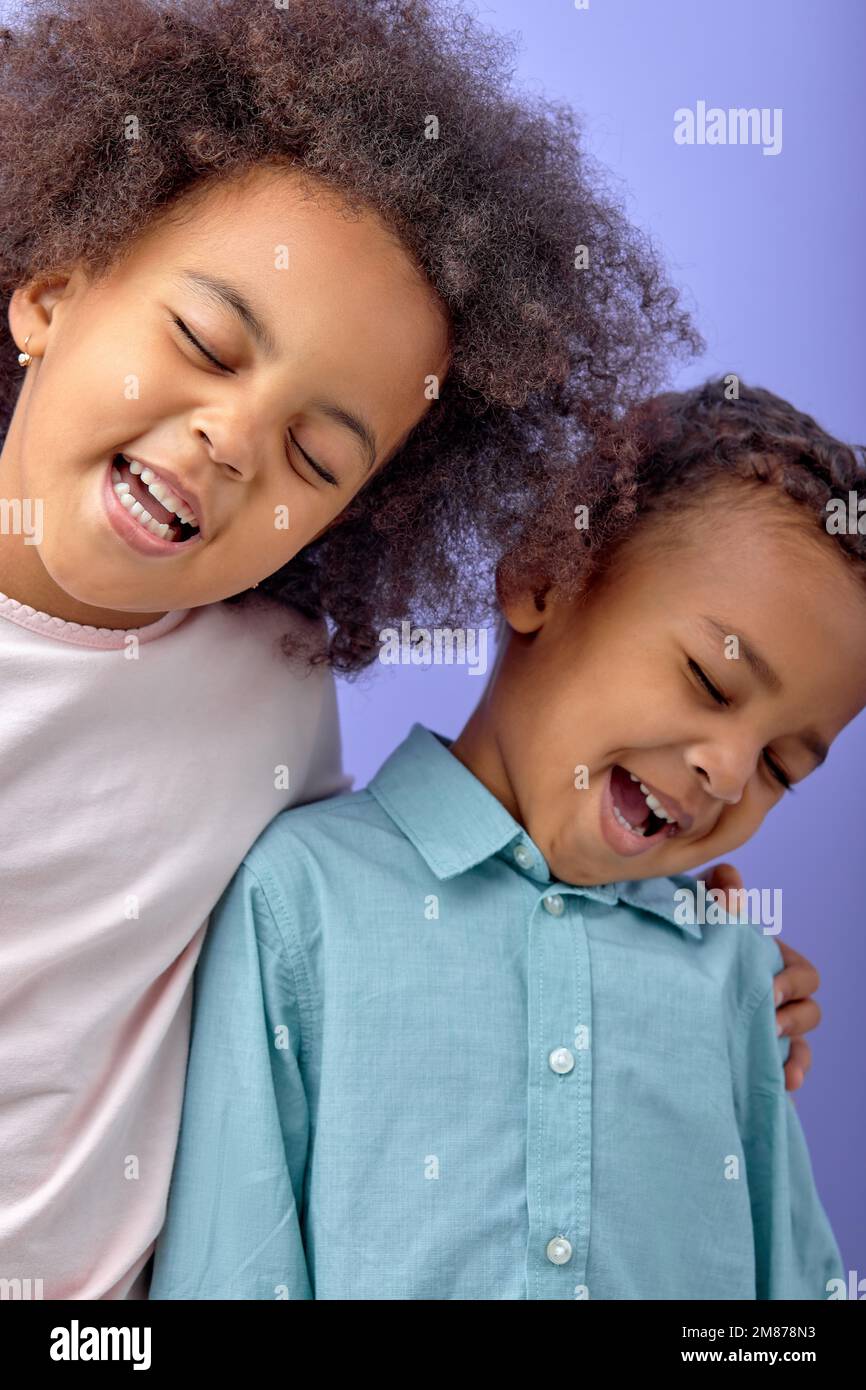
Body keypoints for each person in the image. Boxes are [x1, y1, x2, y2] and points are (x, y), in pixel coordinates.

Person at [0, 0, 736, 1300]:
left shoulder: (269, 698)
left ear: (356, 515)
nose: (231, 438)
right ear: (53, 290)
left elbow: (377, 929)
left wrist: (661, 945)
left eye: (317, 454)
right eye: (206, 343)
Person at [149, 379, 864, 1300]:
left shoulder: (732, 971)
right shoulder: (301, 900)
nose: (729, 772)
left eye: (782, 767)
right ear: (543, 577)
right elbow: (232, 1266)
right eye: (710, 682)